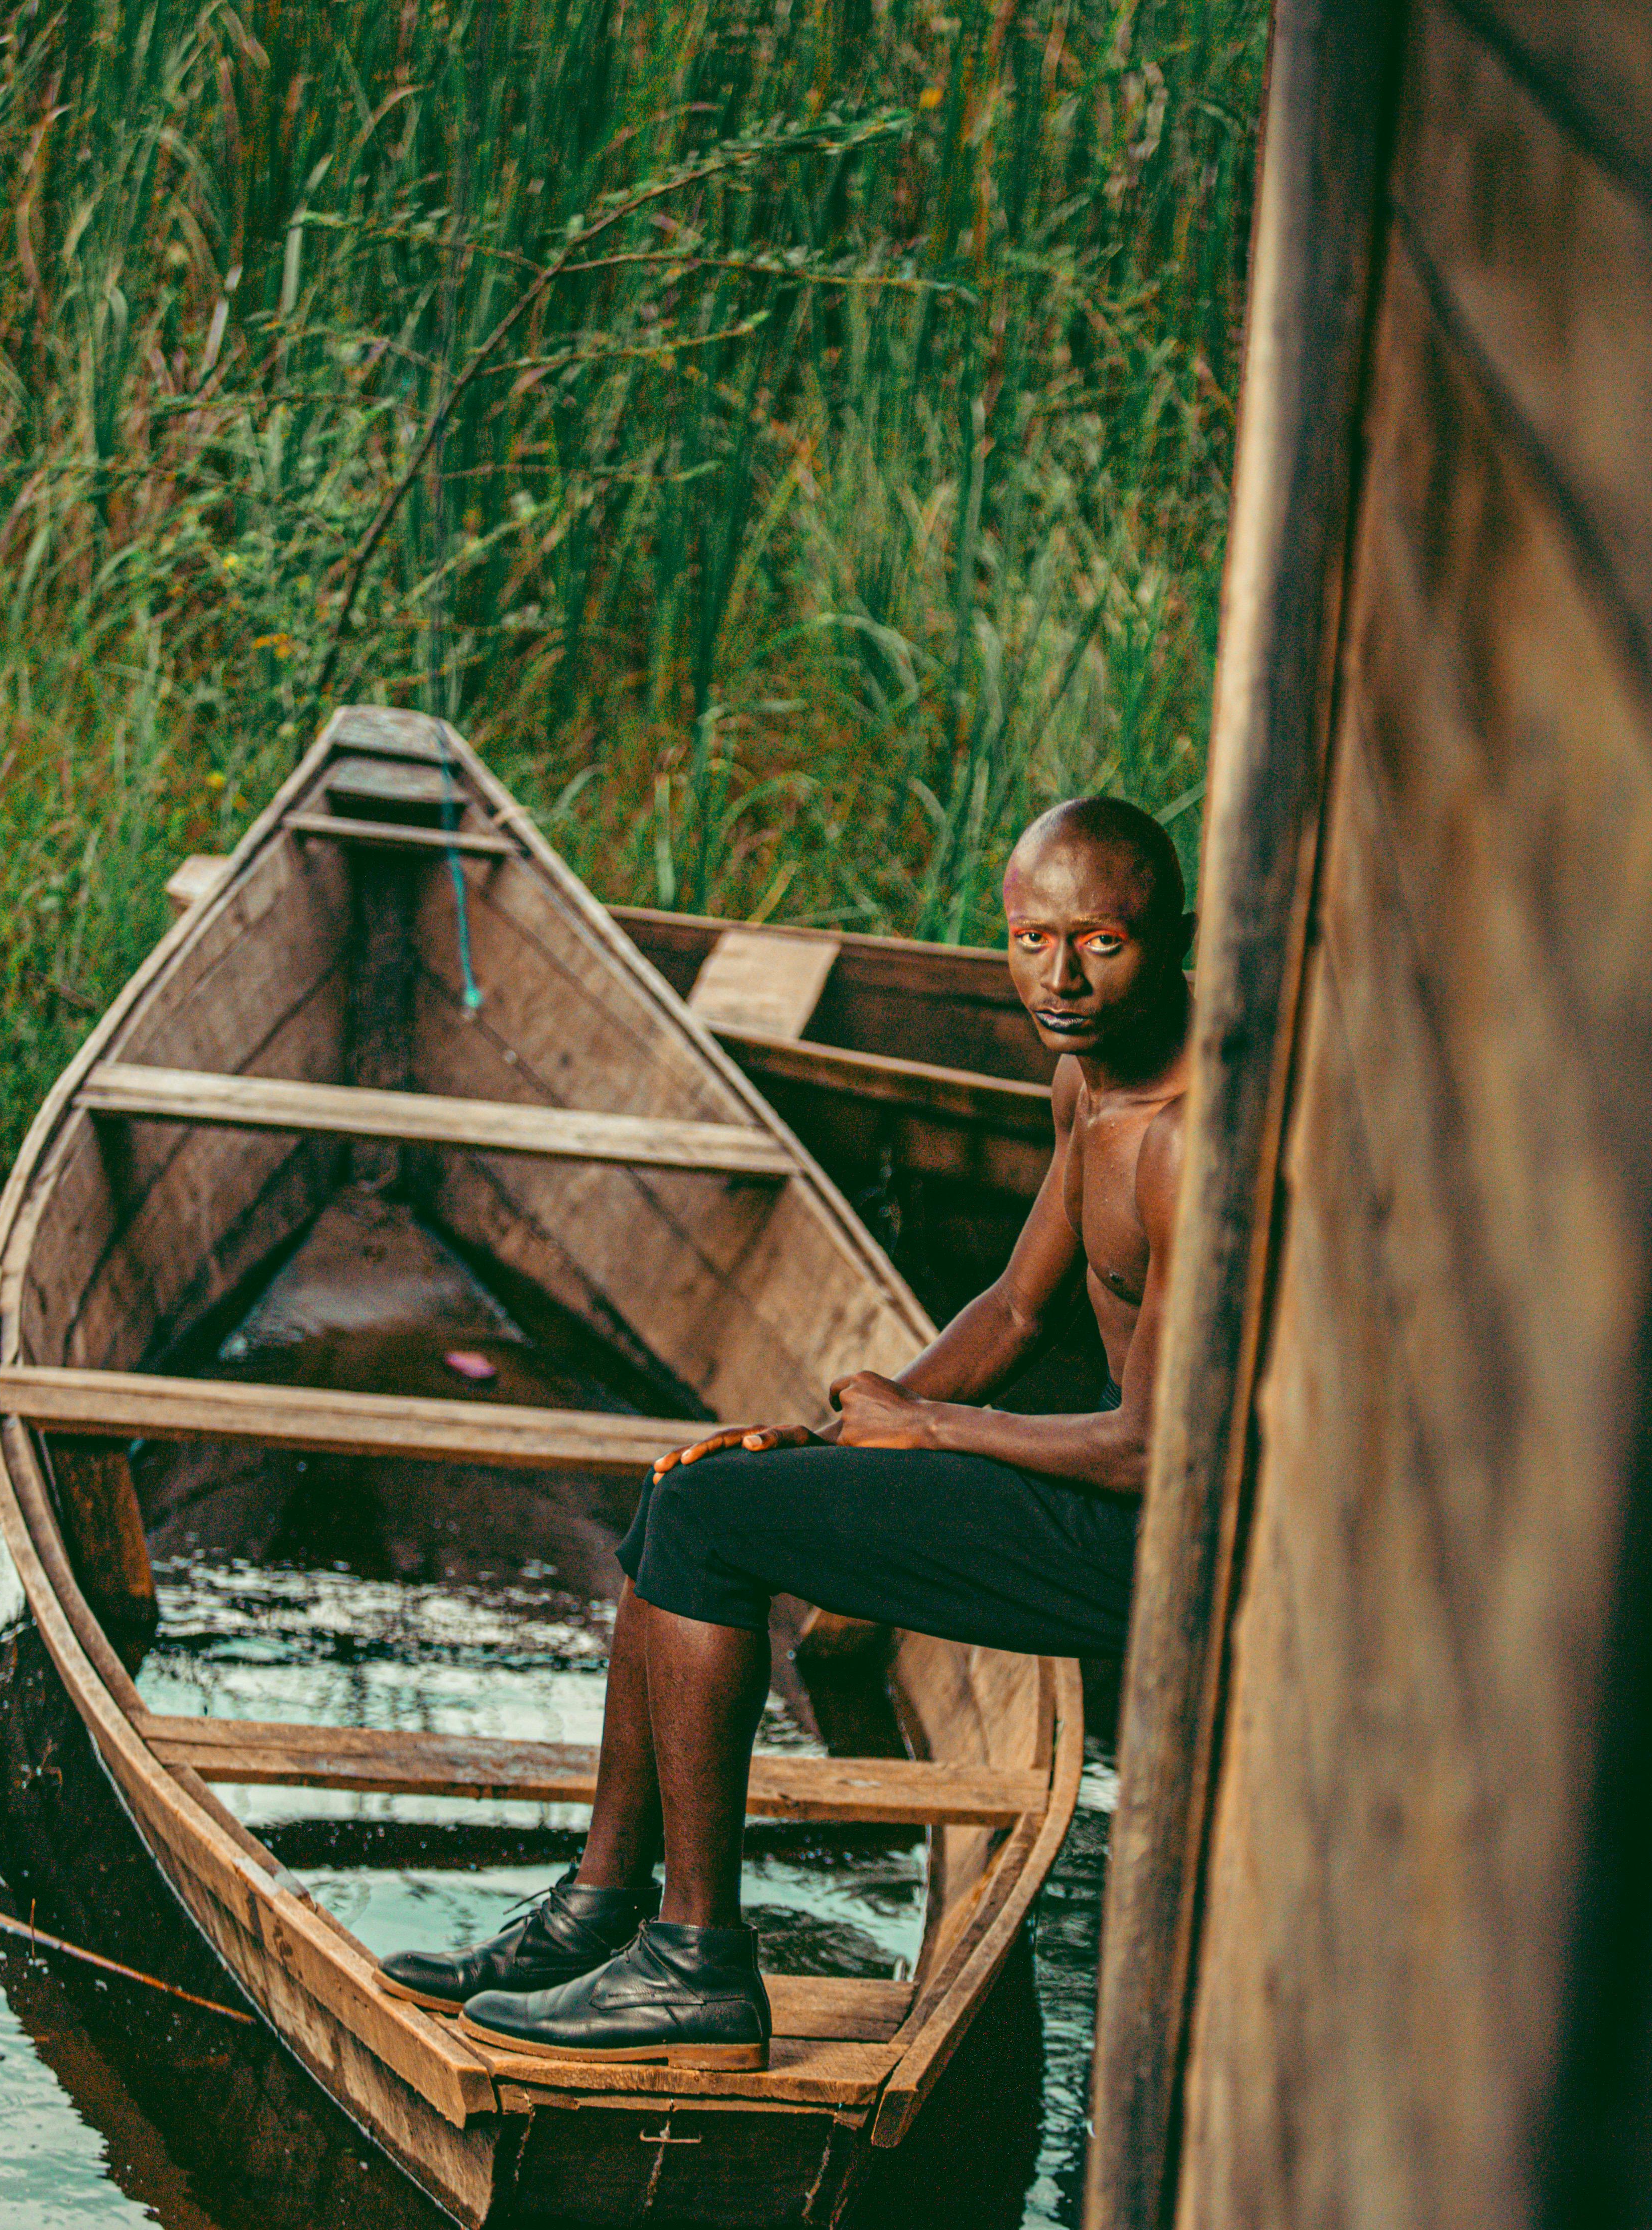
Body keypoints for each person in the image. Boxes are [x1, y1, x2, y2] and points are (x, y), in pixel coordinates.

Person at [379, 795, 1193, 2068]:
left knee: (709, 1523)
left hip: (1160, 1552)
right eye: (1034, 939)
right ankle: (602, 1911)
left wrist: (931, 1427)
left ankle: (697, 1966)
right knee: (697, 1483)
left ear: (1176, 938)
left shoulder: (1192, 1143)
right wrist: (832, 1436)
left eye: (1102, 941)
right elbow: (1019, 1301)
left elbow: (1165, 1451)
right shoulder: (1085, 1081)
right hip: (1103, 1498)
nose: (1064, 976)